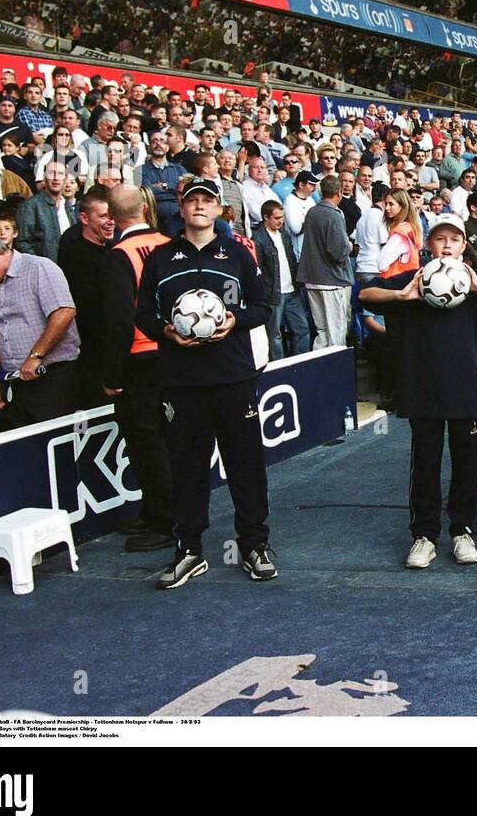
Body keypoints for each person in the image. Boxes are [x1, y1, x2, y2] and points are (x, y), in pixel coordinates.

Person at [135, 179, 276, 589]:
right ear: (181, 208)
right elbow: (144, 313)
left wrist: (234, 321)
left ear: (219, 210)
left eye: (207, 201)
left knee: (245, 463)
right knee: (187, 466)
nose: (199, 206)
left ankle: (254, 544)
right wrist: (166, 330)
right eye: (192, 200)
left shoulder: (236, 253)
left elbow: (262, 307)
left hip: (233, 375)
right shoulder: (161, 257)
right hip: (182, 381)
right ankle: (189, 548)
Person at [360, 214, 477, 568]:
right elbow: (365, 294)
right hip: (423, 390)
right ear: (429, 245)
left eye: (453, 239)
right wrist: (401, 294)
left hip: (467, 390)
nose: (446, 245)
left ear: (464, 246)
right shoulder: (414, 280)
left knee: (468, 463)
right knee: (425, 464)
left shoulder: (476, 284)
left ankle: (462, 530)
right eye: (439, 239)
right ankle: (424, 535)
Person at [100, 186, 176, 553]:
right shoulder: (168, 243)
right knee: (168, 439)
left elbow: (117, 321)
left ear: (112, 218)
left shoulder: (118, 255)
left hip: (140, 358)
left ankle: (163, 521)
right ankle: (158, 512)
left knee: (147, 443)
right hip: (175, 351)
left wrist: (111, 376)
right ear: (146, 207)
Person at [0, 232, 80, 429]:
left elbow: (64, 312)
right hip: (18, 380)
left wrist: (35, 356)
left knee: (49, 440)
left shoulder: (39, 268)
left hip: (54, 376)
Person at [58, 187, 115, 408]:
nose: (110, 221)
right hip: (92, 351)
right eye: (103, 216)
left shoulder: (113, 249)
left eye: (112, 216)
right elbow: (87, 309)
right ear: (83, 217)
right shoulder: (74, 255)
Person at [296, 175, 353, 351]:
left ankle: (319, 372)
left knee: (322, 331)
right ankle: (335, 375)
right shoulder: (333, 214)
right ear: (339, 192)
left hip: (312, 278)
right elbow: (339, 251)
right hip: (332, 279)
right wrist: (349, 246)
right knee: (336, 332)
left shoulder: (312, 211)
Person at [253, 199, 308, 359]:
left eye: (282, 217)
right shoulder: (258, 238)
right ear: (265, 217)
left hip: (292, 289)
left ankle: (301, 362)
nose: (281, 221)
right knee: (274, 334)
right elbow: (259, 270)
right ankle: (279, 368)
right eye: (277, 218)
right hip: (273, 293)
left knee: (302, 328)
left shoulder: (283, 234)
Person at [14, 161, 76, 262]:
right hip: (44, 269)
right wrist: (40, 265)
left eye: (60, 174)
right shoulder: (31, 205)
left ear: (65, 178)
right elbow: (22, 242)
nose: (56, 178)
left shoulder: (68, 205)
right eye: (51, 173)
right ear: (44, 177)